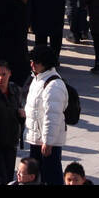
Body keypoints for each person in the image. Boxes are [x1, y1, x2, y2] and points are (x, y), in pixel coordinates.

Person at [23, 47, 67, 185]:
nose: (32, 65)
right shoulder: (37, 79)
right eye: (31, 61)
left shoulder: (53, 85)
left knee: (51, 176)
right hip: (37, 139)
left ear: (46, 63)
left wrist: (48, 141)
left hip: (47, 143)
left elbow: (52, 116)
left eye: (36, 62)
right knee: (36, 177)